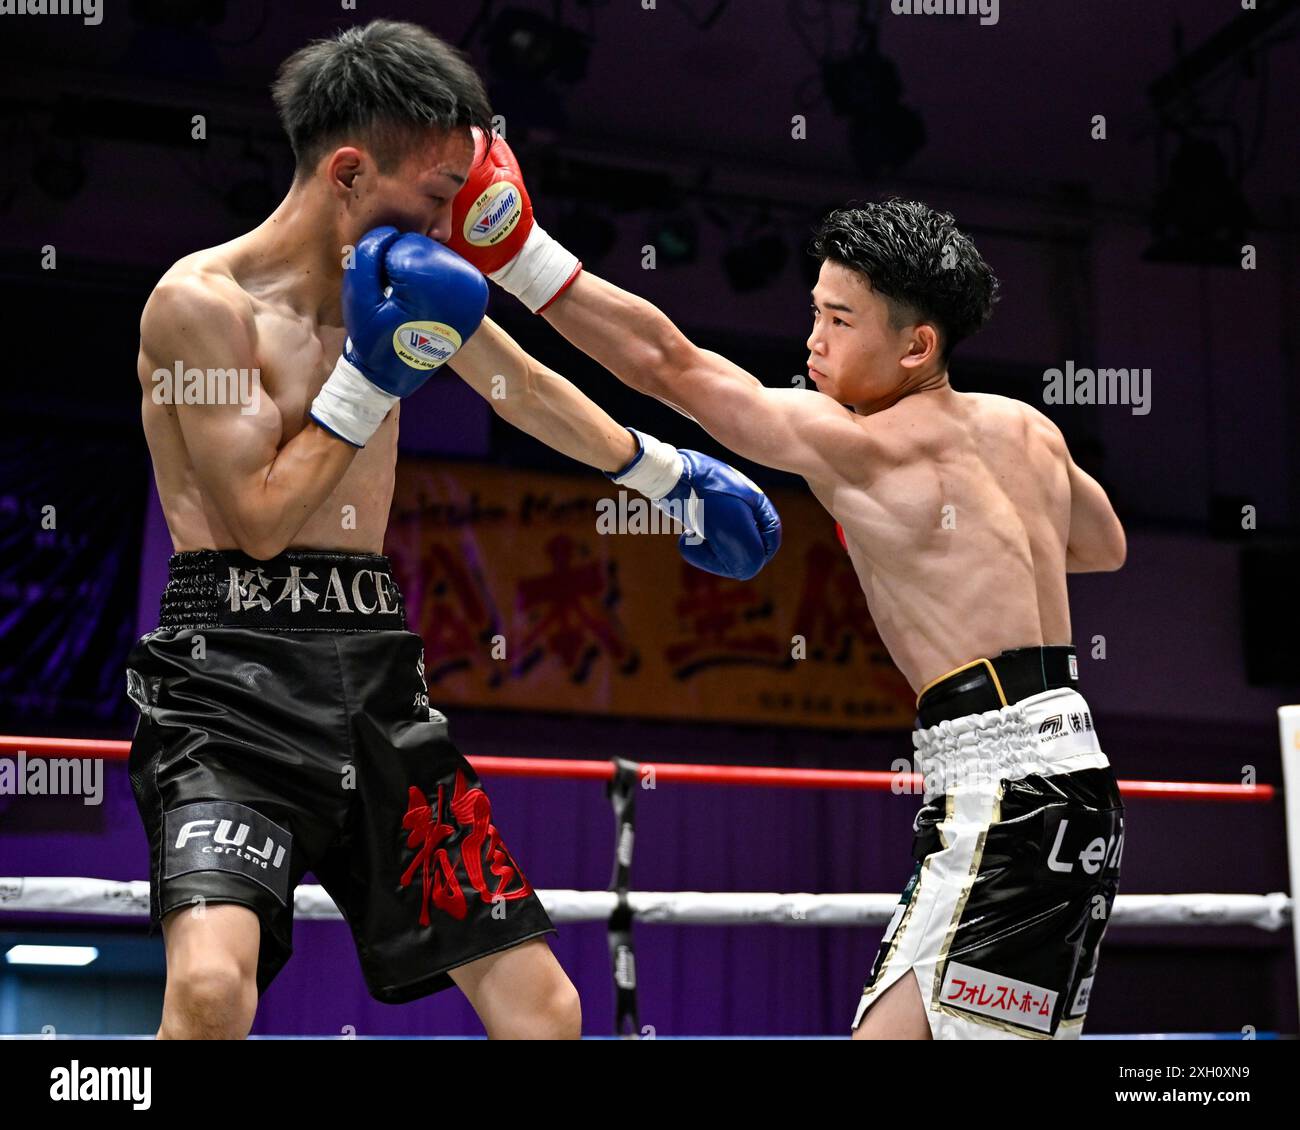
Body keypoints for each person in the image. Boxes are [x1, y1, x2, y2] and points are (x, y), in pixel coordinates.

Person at [129, 21, 778, 1040]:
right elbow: (256, 521)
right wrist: (368, 377)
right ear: (349, 169)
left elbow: (522, 386)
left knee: (544, 1009)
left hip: (375, 672)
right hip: (230, 683)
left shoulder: (400, 283)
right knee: (211, 992)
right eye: (438, 193)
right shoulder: (199, 306)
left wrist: (663, 477)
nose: (458, 221)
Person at [445, 133, 1128, 1040]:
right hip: (1068, 780)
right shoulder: (1027, 430)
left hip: (1001, 798)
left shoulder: (857, 445)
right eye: (815, 312)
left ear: (917, 345)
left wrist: (518, 254)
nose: (812, 341)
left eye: (840, 322)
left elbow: (671, 367)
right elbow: (1103, 545)